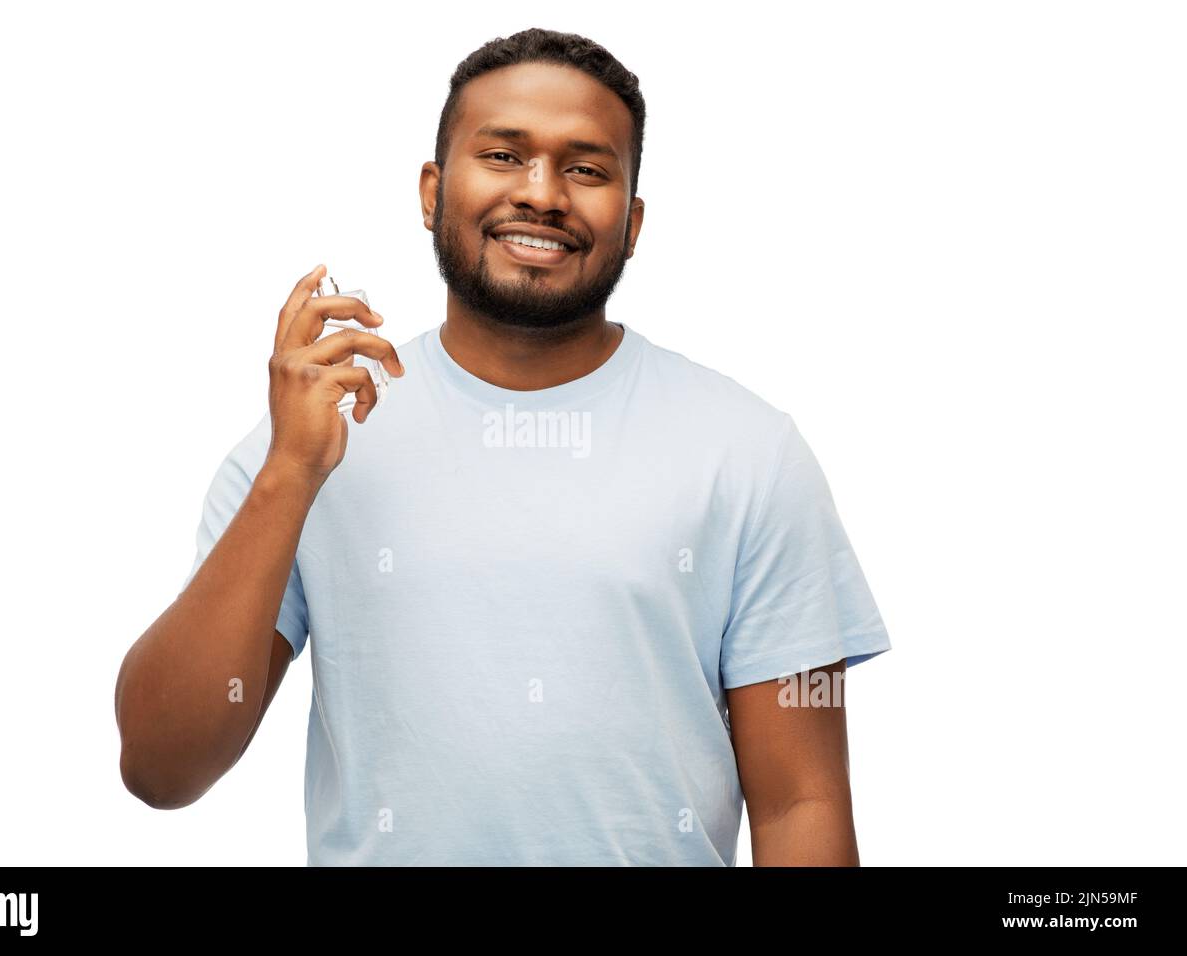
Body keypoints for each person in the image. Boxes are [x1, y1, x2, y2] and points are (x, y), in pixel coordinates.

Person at [114, 27, 892, 866]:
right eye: (503, 155)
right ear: (431, 190)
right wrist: (288, 475)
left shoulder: (746, 452)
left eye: (586, 169)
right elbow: (162, 766)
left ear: (631, 223)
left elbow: (801, 805)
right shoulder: (310, 443)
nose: (543, 194)